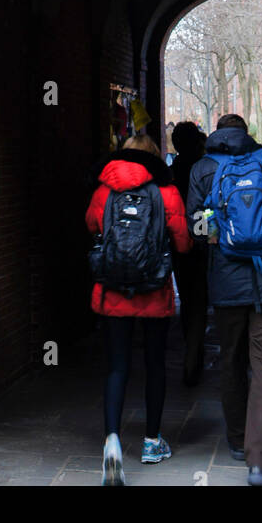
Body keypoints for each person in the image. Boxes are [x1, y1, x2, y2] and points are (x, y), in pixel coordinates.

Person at [187, 113, 262, 486]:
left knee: (231, 359)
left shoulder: (202, 169)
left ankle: (238, 440)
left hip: (226, 284)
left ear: (218, 133)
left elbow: (195, 227)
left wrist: (220, 238)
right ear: (247, 133)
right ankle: (259, 462)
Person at [86, 132, 191, 486]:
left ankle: (112, 441)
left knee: (116, 367)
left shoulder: (105, 189)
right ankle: (151, 442)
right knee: (155, 365)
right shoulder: (167, 191)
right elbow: (182, 240)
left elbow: (91, 225)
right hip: (153, 289)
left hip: (113, 288)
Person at [170, 121, 208, 385]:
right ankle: (194, 354)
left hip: (177, 243)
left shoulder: (170, 172)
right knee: (200, 299)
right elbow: (205, 207)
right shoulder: (206, 170)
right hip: (202, 242)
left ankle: (192, 350)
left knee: (188, 297)